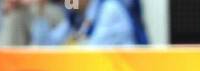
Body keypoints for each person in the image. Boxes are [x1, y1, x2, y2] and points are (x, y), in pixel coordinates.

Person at [20, 0, 148, 45]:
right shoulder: (76, 16)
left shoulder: (110, 9)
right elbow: (46, 46)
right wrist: (40, 9)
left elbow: (88, 57)